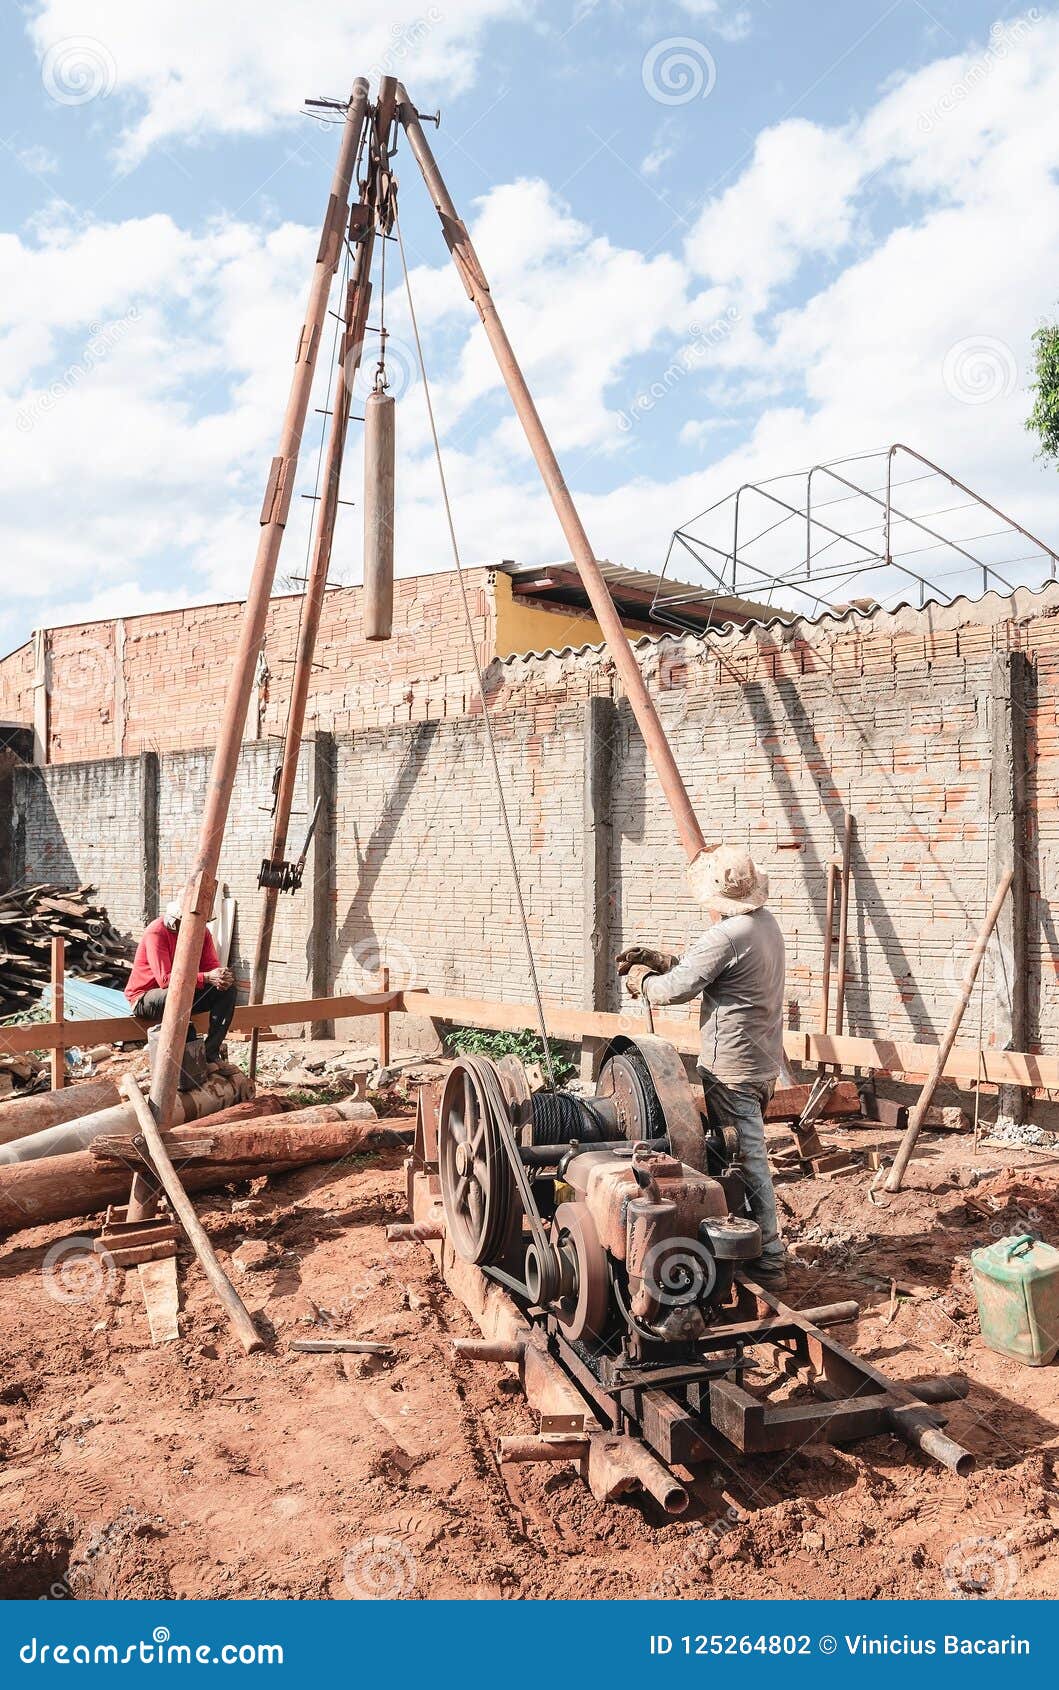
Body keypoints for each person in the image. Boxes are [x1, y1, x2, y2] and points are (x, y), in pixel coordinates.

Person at [616, 843, 788, 1290]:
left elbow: (678, 989)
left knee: (747, 1157)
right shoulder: (765, 924)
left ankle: (768, 1255)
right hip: (762, 1062)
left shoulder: (727, 935)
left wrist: (643, 982)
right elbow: (716, 971)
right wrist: (663, 961)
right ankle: (741, 1240)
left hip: (731, 1065)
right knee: (736, 1154)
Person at [124, 900, 237, 1064]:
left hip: (183, 993)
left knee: (228, 991)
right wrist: (206, 977)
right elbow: (165, 980)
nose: (198, 926)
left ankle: (210, 1053)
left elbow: (211, 966)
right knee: (179, 993)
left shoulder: (202, 932)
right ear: (177, 920)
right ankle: (186, 1060)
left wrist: (221, 977)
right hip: (144, 999)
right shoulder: (157, 932)